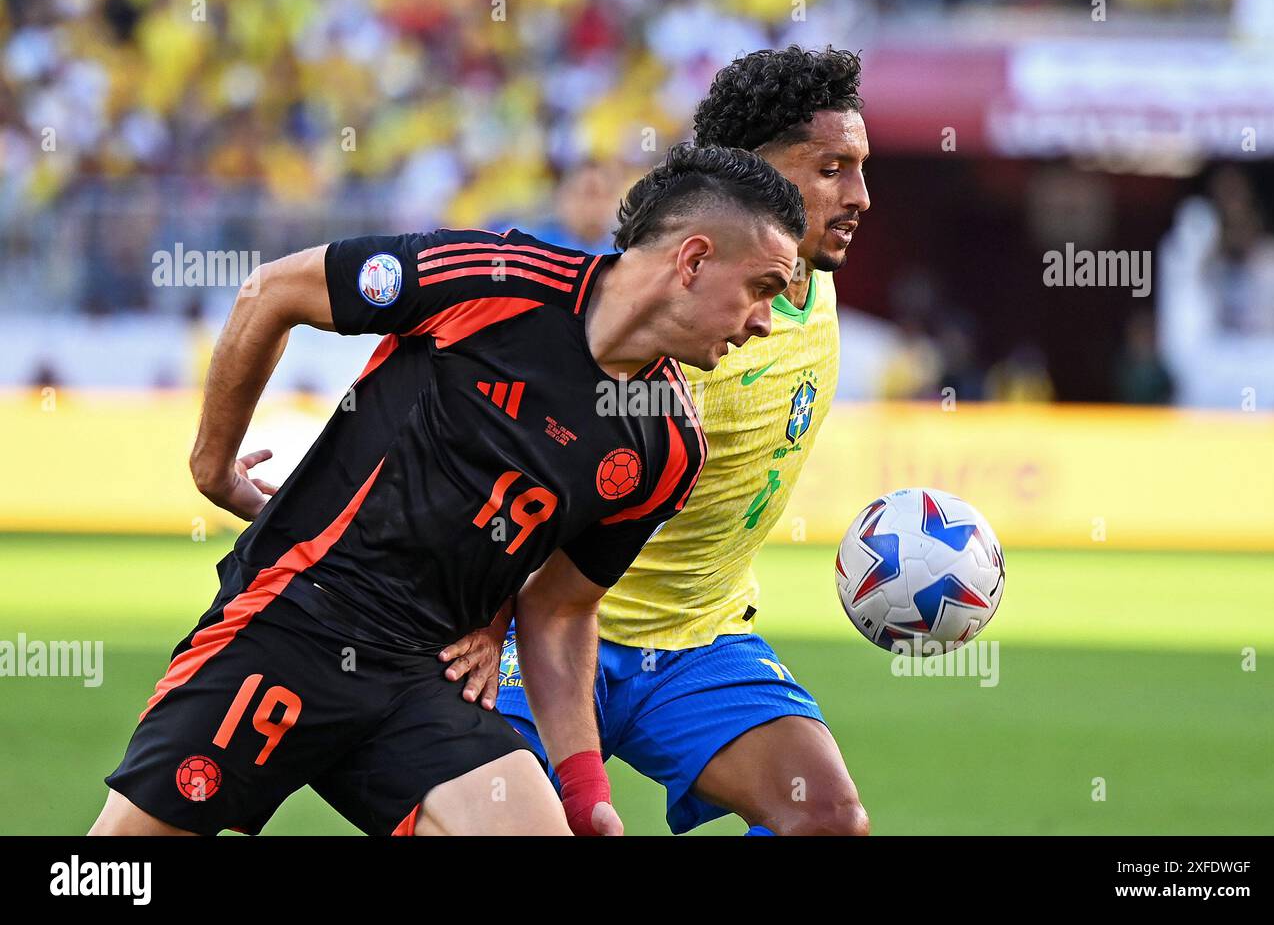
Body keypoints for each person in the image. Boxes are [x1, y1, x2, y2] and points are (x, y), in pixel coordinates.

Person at [88, 143, 805, 837]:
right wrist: (213, 465)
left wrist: (586, 793)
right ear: (695, 260)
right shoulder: (495, 278)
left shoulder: (669, 448)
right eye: (762, 288)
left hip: (423, 677)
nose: (765, 322)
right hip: (293, 619)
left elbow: (560, 609)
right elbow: (272, 291)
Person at [444, 46, 873, 835]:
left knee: (829, 821)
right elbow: (508, 461)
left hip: (698, 641)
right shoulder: (656, 312)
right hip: (545, 631)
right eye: (832, 169)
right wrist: (488, 611)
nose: (860, 196)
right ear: (756, 176)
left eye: (861, 167)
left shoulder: (815, 276)